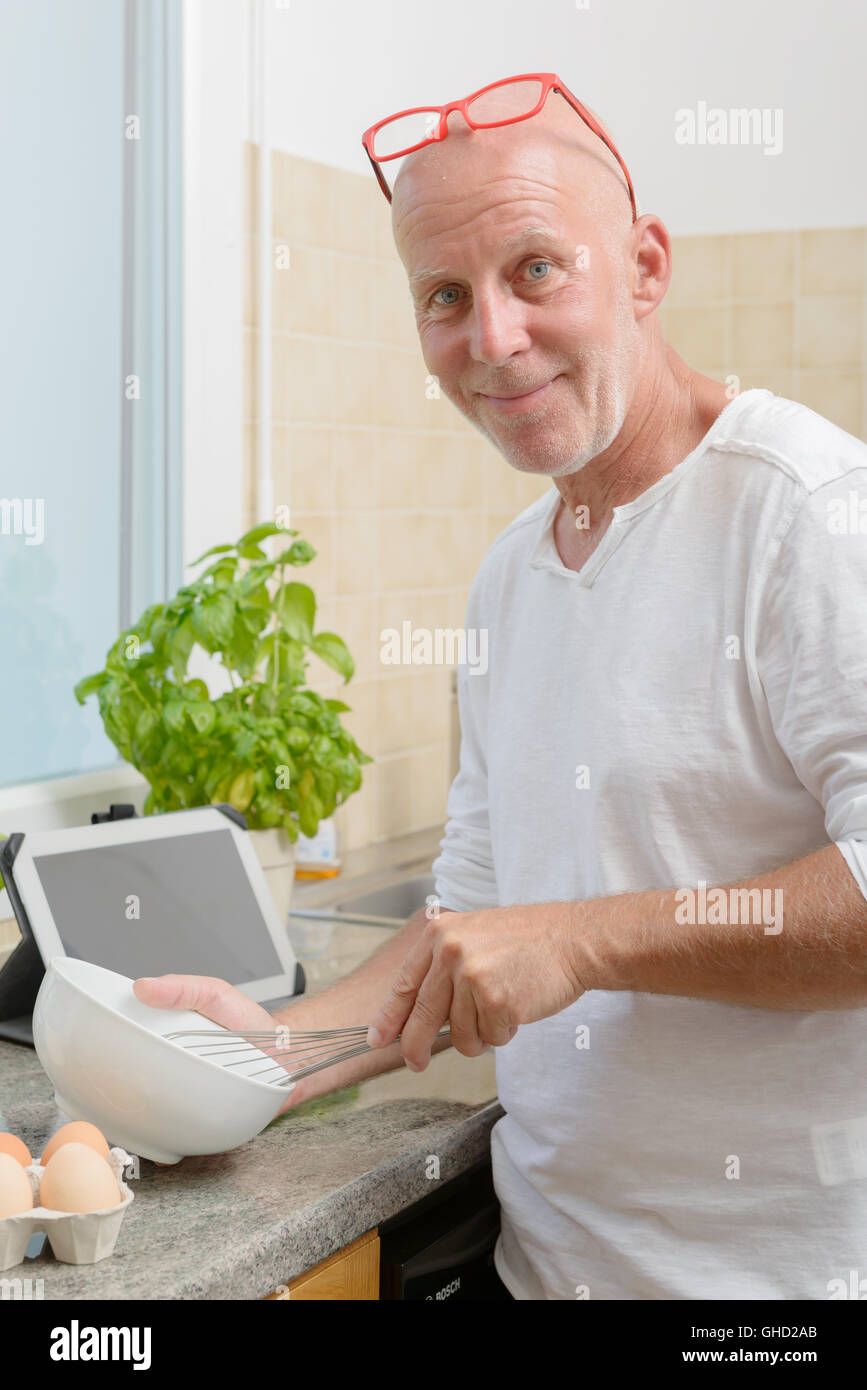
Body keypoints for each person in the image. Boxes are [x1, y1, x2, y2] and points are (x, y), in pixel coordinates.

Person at [135, 76, 867, 1299]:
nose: (491, 339)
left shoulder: (807, 517)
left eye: (536, 271)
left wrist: (583, 940)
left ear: (643, 266)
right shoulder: (511, 579)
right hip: (546, 1269)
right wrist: (271, 1056)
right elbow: (473, 905)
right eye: (443, 296)